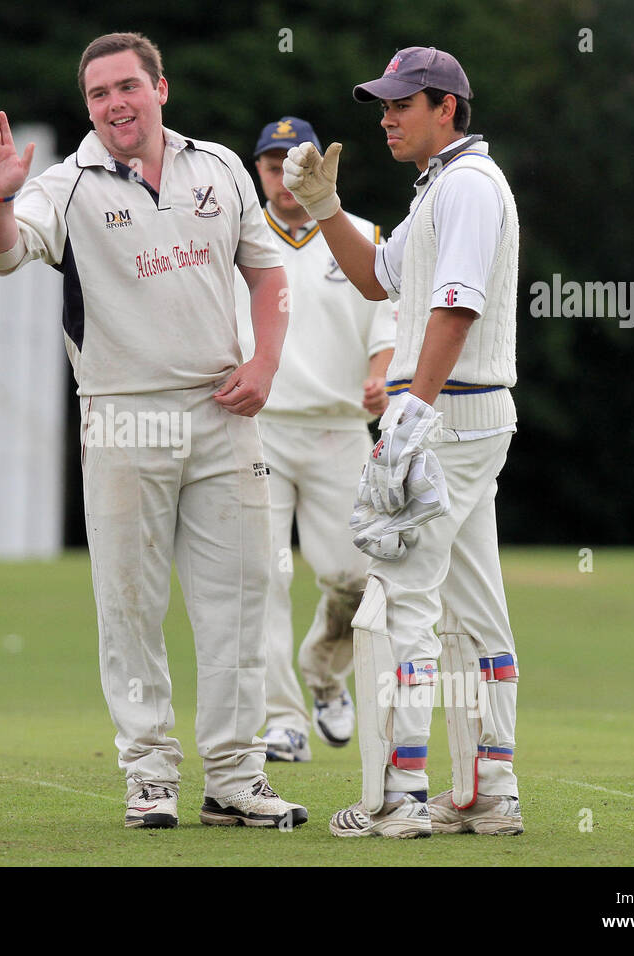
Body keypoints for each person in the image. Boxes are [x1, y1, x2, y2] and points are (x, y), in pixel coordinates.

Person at [0, 32, 307, 830]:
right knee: (129, 603)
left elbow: (266, 272)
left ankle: (234, 776)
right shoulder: (67, 182)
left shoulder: (222, 166)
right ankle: (150, 775)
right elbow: (2, 255)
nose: (115, 104)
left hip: (224, 408)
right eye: (98, 94)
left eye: (127, 86)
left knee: (239, 596)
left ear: (162, 89)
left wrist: (265, 363)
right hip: (122, 411)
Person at [283, 46, 523, 837]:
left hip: (446, 413)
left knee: (400, 603)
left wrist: (412, 415)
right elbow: (377, 279)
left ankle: (402, 796)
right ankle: (491, 786)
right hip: (461, 413)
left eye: (400, 105)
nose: (384, 119)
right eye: (382, 106)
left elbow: (457, 309)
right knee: (474, 599)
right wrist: (325, 210)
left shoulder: (468, 187)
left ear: (446, 108)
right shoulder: (439, 189)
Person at [235, 117, 396, 763]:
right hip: (261, 429)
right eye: (272, 167)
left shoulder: (360, 235)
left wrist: (380, 377)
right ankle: (281, 720)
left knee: (357, 578)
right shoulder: (237, 239)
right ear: (258, 173)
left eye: (295, 166)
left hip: (339, 430)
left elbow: (386, 324)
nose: (283, 178)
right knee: (264, 578)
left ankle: (325, 671)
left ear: (318, 171)